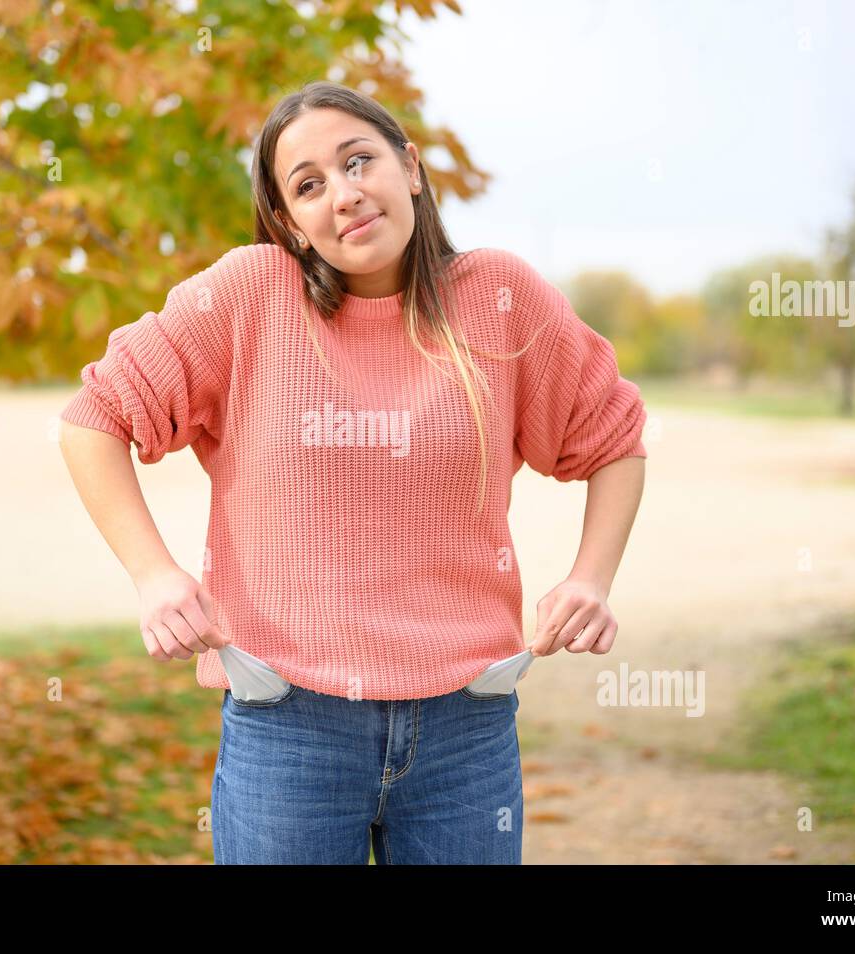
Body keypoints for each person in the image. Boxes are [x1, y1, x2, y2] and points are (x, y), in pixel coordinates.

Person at [58, 81, 647, 864]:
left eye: (357, 161)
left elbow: (617, 436)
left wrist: (591, 578)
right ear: (290, 225)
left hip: (465, 729)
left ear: (409, 167)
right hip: (288, 727)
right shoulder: (248, 296)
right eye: (308, 186)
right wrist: (154, 575)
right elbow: (93, 420)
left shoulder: (500, 298)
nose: (343, 194)